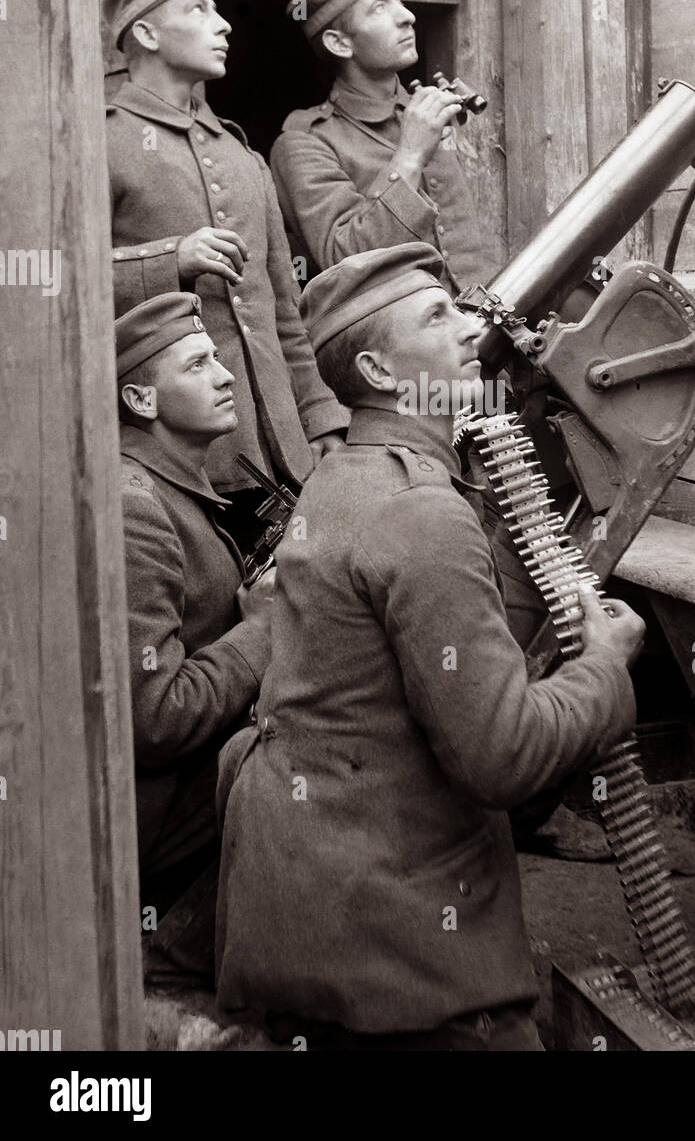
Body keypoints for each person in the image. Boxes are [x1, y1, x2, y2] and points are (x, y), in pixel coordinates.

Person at [215, 244, 645, 1050]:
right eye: (436, 316)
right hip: (395, 931)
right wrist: (603, 665)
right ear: (379, 370)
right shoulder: (418, 509)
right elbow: (501, 757)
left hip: (303, 891)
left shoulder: (341, 475)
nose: (471, 327)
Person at [101, 0, 348, 541]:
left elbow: (283, 311)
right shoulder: (100, 142)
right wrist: (169, 261)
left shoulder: (243, 156)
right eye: (199, 9)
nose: (224, 24)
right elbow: (51, 287)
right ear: (146, 33)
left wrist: (319, 418)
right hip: (169, 459)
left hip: (279, 453)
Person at [116, 292, 274, 972]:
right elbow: (155, 719)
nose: (226, 374)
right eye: (197, 365)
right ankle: (184, 947)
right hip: (153, 821)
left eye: (218, 357)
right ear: (141, 400)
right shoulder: (137, 510)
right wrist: (263, 629)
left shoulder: (171, 484)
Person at [270, 0, 489, 292]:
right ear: (340, 44)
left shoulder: (427, 109)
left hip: (490, 312)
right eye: (380, 7)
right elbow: (346, 259)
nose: (407, 16)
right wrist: (410, 155)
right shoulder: (304, 143)